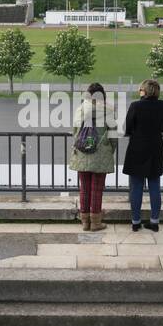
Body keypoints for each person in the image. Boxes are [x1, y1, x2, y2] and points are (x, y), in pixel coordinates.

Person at [122, 78, 163, 231]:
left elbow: (128, 128)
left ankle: (136, 222)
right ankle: (154, 221)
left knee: (136, 187)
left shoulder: (136, 105)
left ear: (143, 91)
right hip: (156, 148)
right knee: (155, 186)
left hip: (137, 149)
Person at [68, 82, 116, 231]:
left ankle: (85, 222)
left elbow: (75, 132)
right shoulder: (108, 110)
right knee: (97, 189)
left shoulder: (80, 109)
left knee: (84, 188)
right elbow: (113, 136)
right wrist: (109, 150)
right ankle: (95, 222)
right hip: (101, 152)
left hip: (83, 152)